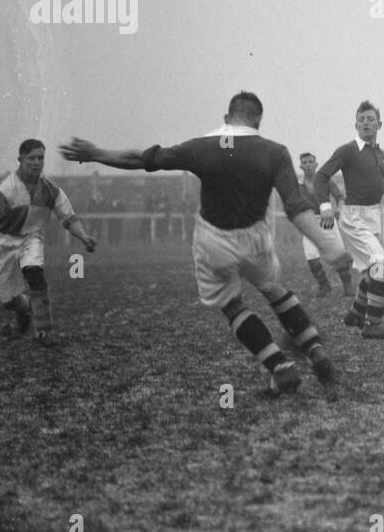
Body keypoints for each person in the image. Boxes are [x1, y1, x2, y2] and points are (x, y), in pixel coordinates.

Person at [58, 93, 340, 397]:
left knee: (232, 305)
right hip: (257, 237)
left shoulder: (203, 147)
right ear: (258, 120)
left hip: (214, 240)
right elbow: (295, 207)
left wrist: (95, 152)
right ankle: (315, 349)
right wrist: (327, 246)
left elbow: (140, 159)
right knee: (274, 290)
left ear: (226, 118)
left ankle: (279, 366)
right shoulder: (275, 152)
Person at [313, 100, 384, 339]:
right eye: (361, 119)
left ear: (379, 124)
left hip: (374, 216)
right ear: (355, 124)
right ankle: (373, 324)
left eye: (370, 119)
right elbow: (320, 177)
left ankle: (355, 314)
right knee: (383, 267)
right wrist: (325, 207)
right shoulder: (348, 150)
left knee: (374, 271)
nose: (365, 123)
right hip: (354, 217)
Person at [0, 139, 98, 346]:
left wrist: (84, 236)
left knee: (34, 273)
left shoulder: (50, 189)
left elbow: (68, 217)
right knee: (9, 301)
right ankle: (26, 309)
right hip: (3, 241)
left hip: (31, 237)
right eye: (31, 158)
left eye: (40, 158)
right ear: (20, 160)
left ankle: (44, 331)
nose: (36, 163)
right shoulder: (6, 189)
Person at [297, 152, 354, 298]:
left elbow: (340, 197)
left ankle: (348, 287)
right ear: (301, 166)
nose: (308, 165)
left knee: (339, 254)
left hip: (327, 220)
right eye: (305, 162)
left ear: (316, 164)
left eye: (311, 162)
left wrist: (339, 209)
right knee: (311, 256)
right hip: (309, 222)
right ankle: (324, 286)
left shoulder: (325, 180)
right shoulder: (297, 184)